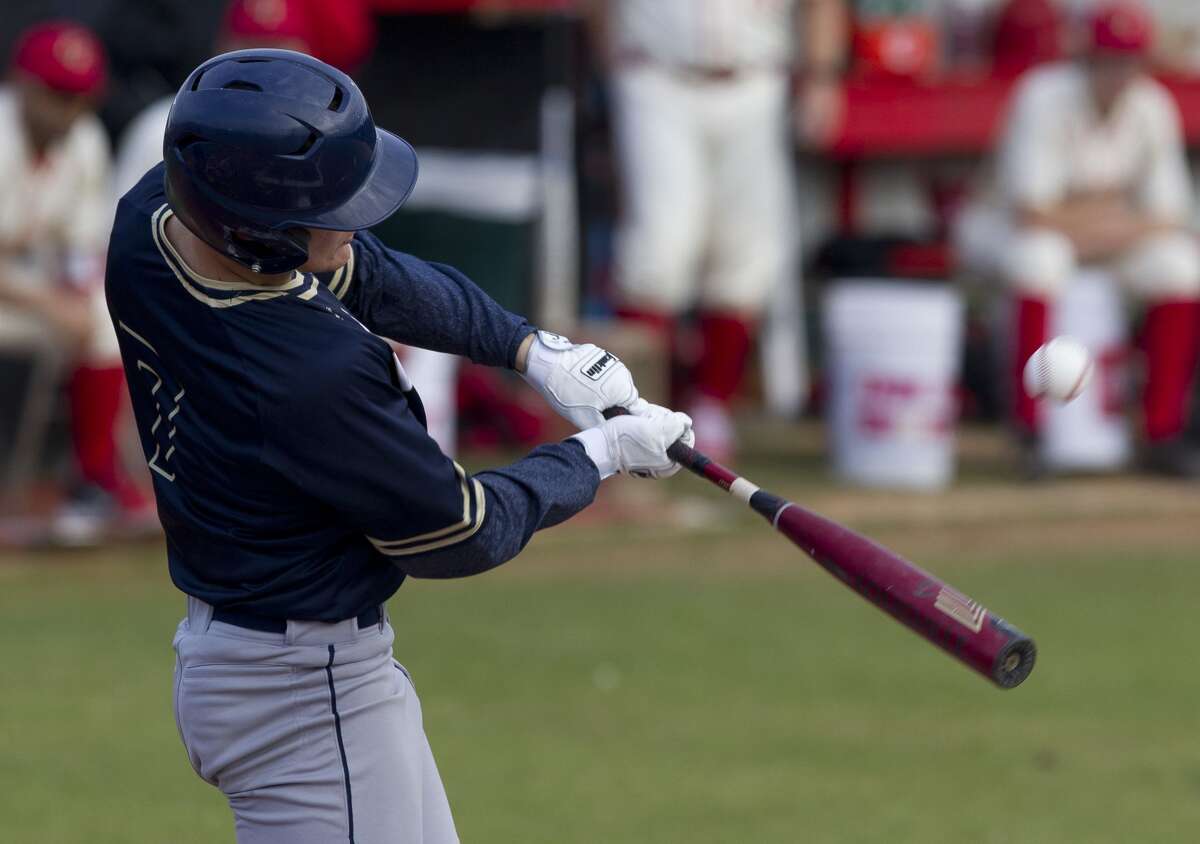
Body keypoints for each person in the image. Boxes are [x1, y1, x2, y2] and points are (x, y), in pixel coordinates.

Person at [105, 48, 692, 842]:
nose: (357, 223)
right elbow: (461, 531)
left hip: (274, 661)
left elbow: (374, 277)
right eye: (333, 208)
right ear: (260, 234)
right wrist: (596, 456)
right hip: (302, 696)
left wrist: (529, 349)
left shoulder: (155, 223)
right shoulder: (307, 372)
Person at [589, 0, 848, 458]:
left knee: (744, 257)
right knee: (658, 253)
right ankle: (642, 408)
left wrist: (822, 78)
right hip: (657, 75)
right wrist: (608, 64)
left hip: (755, 80)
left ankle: (711, 403)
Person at [955, 0, 1200, 477]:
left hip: (1098, 239)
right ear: (1086, 56)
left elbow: (1171, 216)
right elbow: (1032, 214)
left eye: (1127, 60)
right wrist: (1114, 215)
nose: (1118, 72)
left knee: (1181, 267)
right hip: (1001, 230)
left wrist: (1091, 221)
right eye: (1108, 59)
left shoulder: (1151, 104)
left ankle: (1163, 433)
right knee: (1040, 259)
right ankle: (1030, 431)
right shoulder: (1043, 94)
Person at [0, 20, 152, 538]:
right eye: (56, 94)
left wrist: (80, 294)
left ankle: (94, 479)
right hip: (23, 293)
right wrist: (51, 302)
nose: (66, 109)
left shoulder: (83, 140)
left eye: (77, 96)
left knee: (105, 321)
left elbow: (83, 245)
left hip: (26, 294)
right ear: (22, 84)